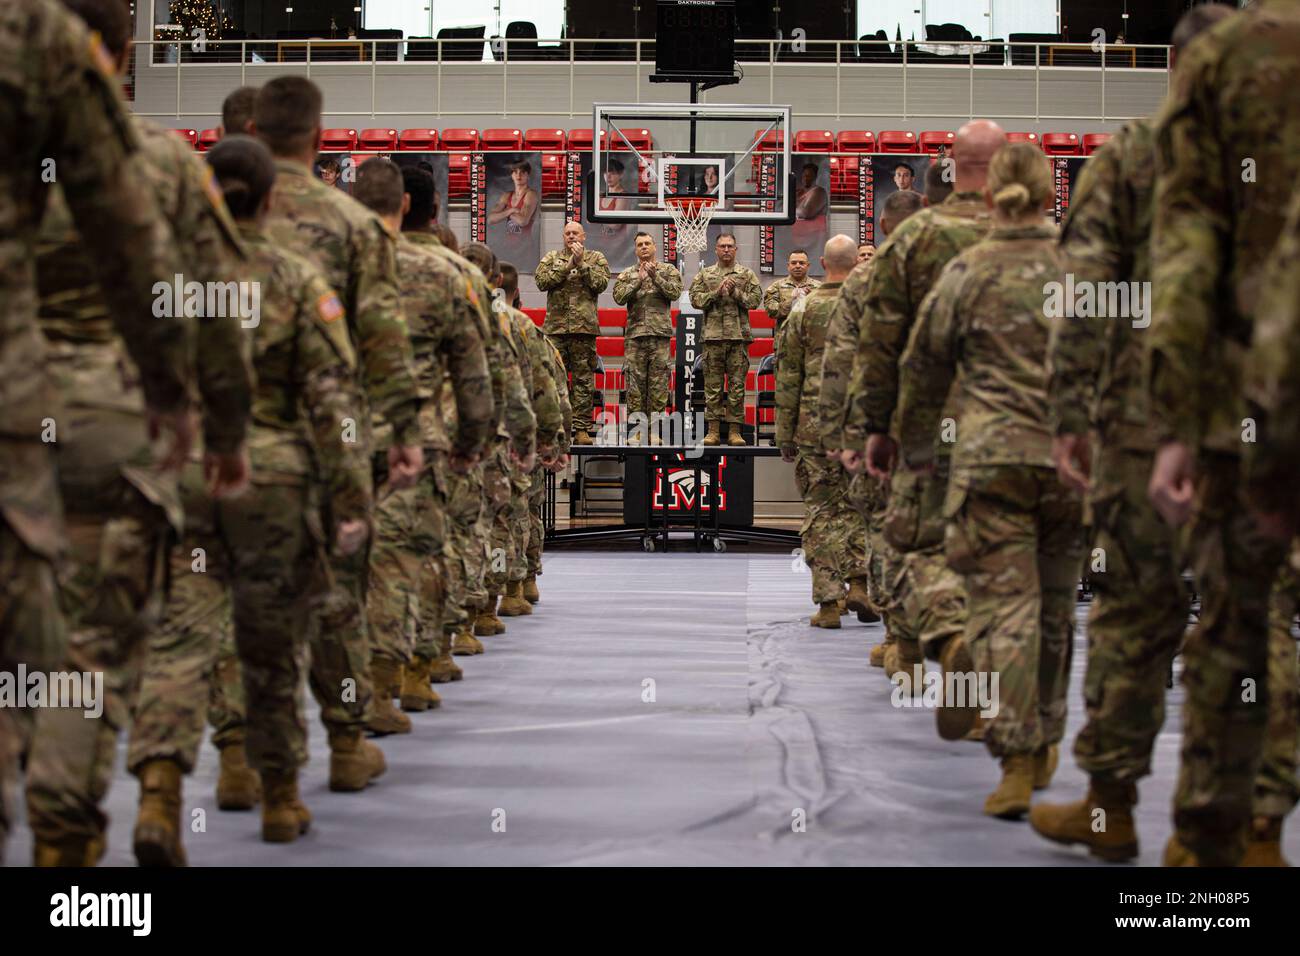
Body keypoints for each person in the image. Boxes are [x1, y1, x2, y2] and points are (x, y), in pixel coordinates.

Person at [15, 0, 248, 867]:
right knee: (85, 648)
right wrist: (221, 429)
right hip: (102, 424)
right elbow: (214, 301)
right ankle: (65, 840)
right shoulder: (154, 162)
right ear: (121, 55)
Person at [1031, 3, 1239, 863]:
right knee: (1250, 621)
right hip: (1260, 424)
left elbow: (1082, 294)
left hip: (1144, 420)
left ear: (1171, 68)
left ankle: (1112, 810)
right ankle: (1240, 829)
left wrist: (1070, 416)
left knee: (1132, 612)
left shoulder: (1133, 156)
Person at [1144, 0, 1300, 868]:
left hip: (1251, 385)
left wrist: (1173, 415)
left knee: (1243, 617)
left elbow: (1191, 244)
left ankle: (1220, 842)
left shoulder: (1228, 57)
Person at [895, 142, 1084, 818]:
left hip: (990, 462)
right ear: (1049, 194)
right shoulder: (1085, 270)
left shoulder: (967, 271)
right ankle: (1044, 744)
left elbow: (923, 365)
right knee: (1058, 614)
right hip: (1072, 466)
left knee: (1008, 609)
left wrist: (915, 448)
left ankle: (1013, 754)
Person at [252, 75, 423, 791]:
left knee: (235, 603)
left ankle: (242, 764)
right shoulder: (352, 225)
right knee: (336, 592)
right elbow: (384, 340)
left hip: (225, 440)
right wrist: (404, 431)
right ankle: (347, 743)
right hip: (328, 436)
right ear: (320, 141)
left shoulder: (209, 218)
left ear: (255, 134)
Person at [840, 119, 1006, 734]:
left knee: (919, 545)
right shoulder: (1038, 238)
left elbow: (878, 345)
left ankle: (948, 634)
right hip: (1021, 430)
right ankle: (998, 704)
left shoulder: (914, 240)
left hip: (932, 423)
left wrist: (872, 428)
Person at [351, 158, 495, 733]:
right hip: (418, 437)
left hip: (333, 436)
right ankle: (398, 681)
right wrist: (472, 440)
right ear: (429, 207)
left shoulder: (330, 263)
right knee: (403, 560)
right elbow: (476, 371)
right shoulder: (452, 275)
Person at [820, 187, 925, 656]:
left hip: (889, 424)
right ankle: (958, 634)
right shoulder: (969, 264)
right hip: (971, 425)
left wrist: (842, 435)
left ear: (882, 227)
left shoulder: (867, 279)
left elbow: (841, 363)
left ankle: (900, 638)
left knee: (887, 525)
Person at [775, 236, 871, 628]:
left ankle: (829, 604)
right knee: (861, 504)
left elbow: (788, 374)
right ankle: (861, 582)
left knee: (821, 509)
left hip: (814, 426)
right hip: (863, 423)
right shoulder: (871, 307)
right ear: (856, 263)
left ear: (822, 263)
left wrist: (784, 433)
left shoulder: (803, 306)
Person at [460, 243, 539, 634]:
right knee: (492, 523)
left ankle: (437, 637)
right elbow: (521, 384)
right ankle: (487, 607)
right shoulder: (507, 322)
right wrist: (528, 442)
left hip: (413, 436)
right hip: (485, 436)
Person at [534, 221, 610, 445]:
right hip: (556, 330)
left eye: (575, 232)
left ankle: (582, 429)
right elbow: (541, 281)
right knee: (553, 381)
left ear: (584, 236)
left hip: (584, 330)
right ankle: (556, 428)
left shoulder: (596, 258)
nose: (571, 236)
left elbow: (601, 284)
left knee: (583, 382)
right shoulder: (551, 257)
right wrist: (567, 266)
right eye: (567, 233)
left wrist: (582, 265)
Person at [689, 233, 762, 446]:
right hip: (712, 338)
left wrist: (735, 292)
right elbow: (695, 300)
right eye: (722, 246)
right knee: (712, 388)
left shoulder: (746, 274)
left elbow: (756, 301)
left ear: (736, 249)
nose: (727, 250)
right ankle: (712, 430)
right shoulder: (705, 274)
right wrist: (716, 293)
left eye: (730, 246)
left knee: (737, 387)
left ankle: (734, 431)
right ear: (716, 249)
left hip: (738, 339)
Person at [612, 232, 683, 442]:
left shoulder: (668, 270)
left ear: (654, 247)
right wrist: (638, 281)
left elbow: (675, 293)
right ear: (635, 250)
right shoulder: (626, 274)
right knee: (635, 387)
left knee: (658, 387)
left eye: (647, 244)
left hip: (659, 336)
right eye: (640, 244)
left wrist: (655, 277)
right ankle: (638, 431)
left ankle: (653, 432)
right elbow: (618, 297)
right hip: (635, 337)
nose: (644, 247)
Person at [763, 249, 821, 329]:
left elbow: (826, 314)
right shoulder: (776, 287)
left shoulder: (819, 287)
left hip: (809, 338)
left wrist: (811, 301)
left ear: (808, 266)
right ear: (788, 266)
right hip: (784, 338)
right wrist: (791, 302)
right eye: (793, 263)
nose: (797, 266)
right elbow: (771, 312)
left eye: (802, 263)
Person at [792, 163, 829, 247]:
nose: (805, 178)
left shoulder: (819, 191)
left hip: (814, 237)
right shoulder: (800, 193)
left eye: (809, 176)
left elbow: (805, 212)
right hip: (799, 235)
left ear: (815, 177)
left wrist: (791, 206)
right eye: (804, 176)